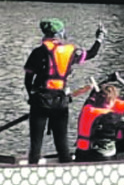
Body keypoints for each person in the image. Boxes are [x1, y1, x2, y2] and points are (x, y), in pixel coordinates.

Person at [23, 19, 102, 164]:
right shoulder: (70, 51)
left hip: (40, 101)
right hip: (60, 101)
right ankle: (66, 164)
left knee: (36, 142)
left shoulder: (38, 52)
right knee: (61, 140)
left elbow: (28, 79)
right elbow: (91, 53)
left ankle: (32, 167)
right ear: (60, 33)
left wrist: (31, 97)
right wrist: (99, 38)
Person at [74, 84, 124, 161]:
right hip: (100, 157)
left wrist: (102, 83)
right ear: (111, 101)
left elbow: (92, 96)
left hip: (81, 152)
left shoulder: (87, 108)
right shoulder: (111, 116)